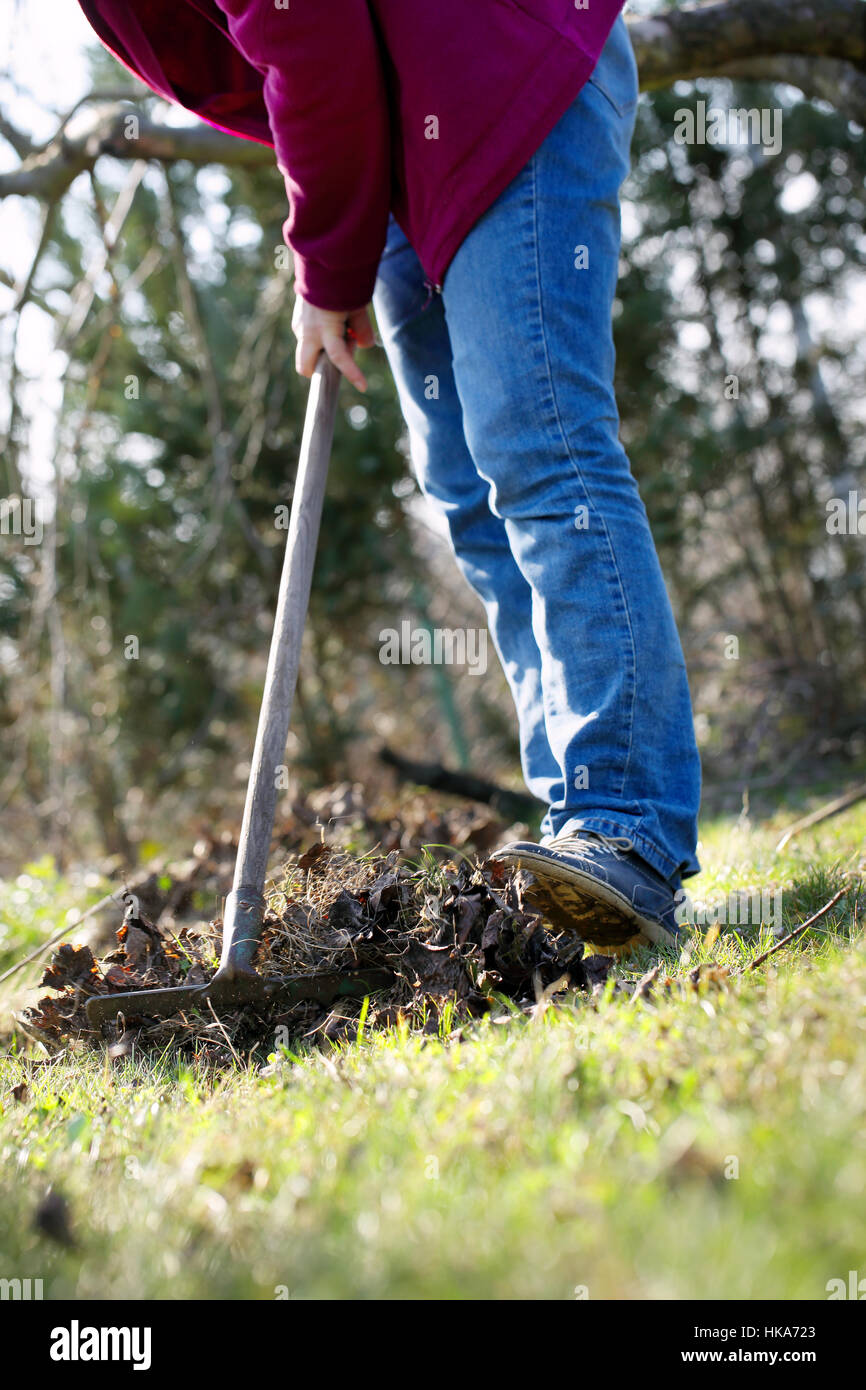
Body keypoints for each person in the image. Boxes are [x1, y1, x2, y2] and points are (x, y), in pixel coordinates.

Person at [77, 1, 702, 949]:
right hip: (413, 135)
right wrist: (351, 221)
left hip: (497, 76)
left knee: (542, 450)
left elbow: (311, 40)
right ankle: (581, 852)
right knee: (472, 501)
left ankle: (627, 827)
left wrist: (325, 268)